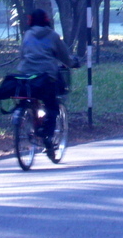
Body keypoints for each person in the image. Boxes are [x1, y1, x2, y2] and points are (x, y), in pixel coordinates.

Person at [16, 9, 78, 156]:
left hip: (25, 75)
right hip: (46, 76)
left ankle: (29, 119)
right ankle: (47, 135)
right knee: (52, 106)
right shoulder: (53, 36)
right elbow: (65, 58)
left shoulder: (27, 35)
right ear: (47, 20)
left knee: (30, 98)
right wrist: (73, 62)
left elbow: (22, 55)